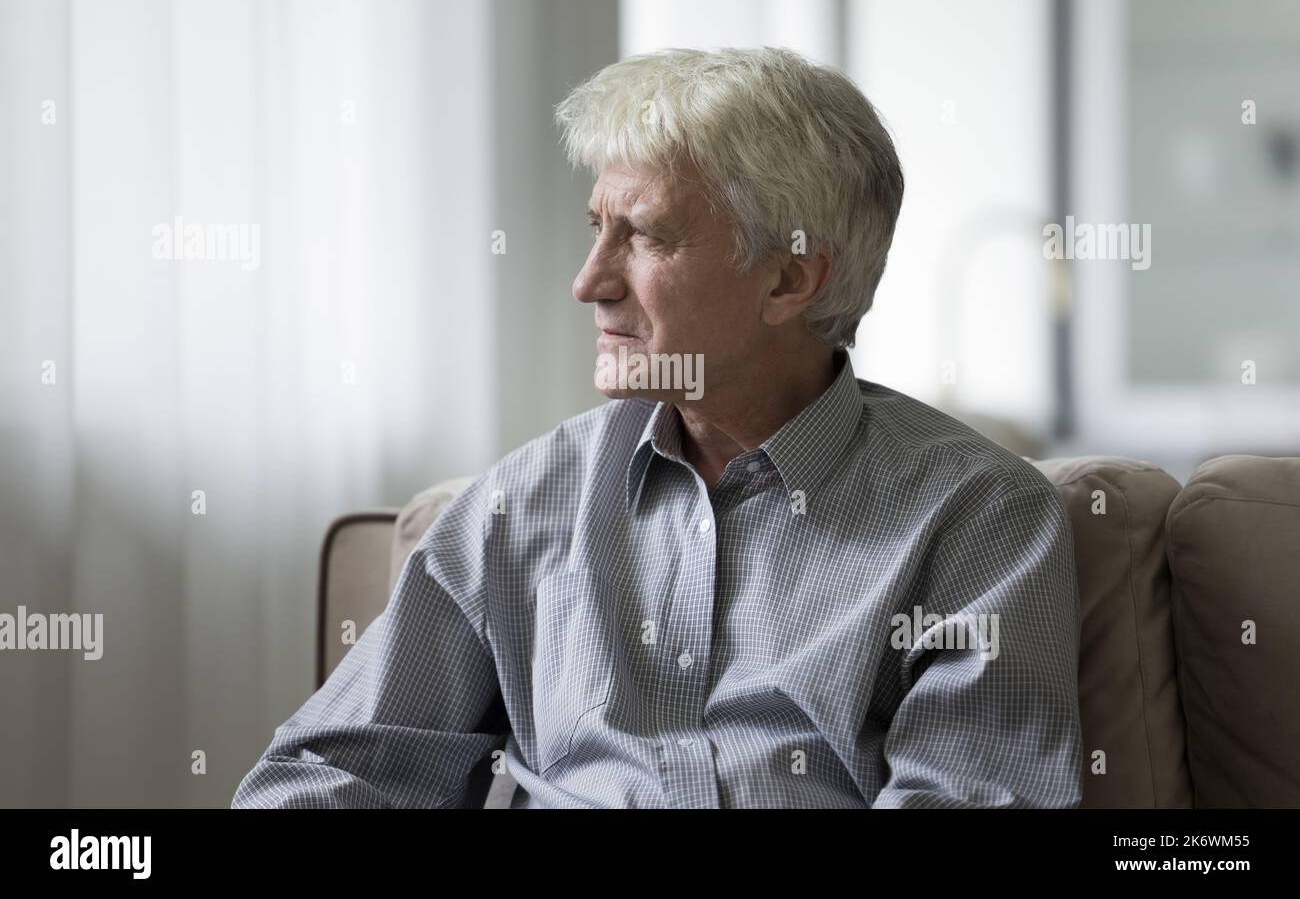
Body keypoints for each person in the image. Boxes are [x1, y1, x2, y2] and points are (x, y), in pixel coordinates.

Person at [232, 46, 1082, 808]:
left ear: (789, 279)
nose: (589, 281)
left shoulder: (978, 518)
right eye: (598, 228)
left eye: (643, 236)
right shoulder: (523, 502)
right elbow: (321, 776)